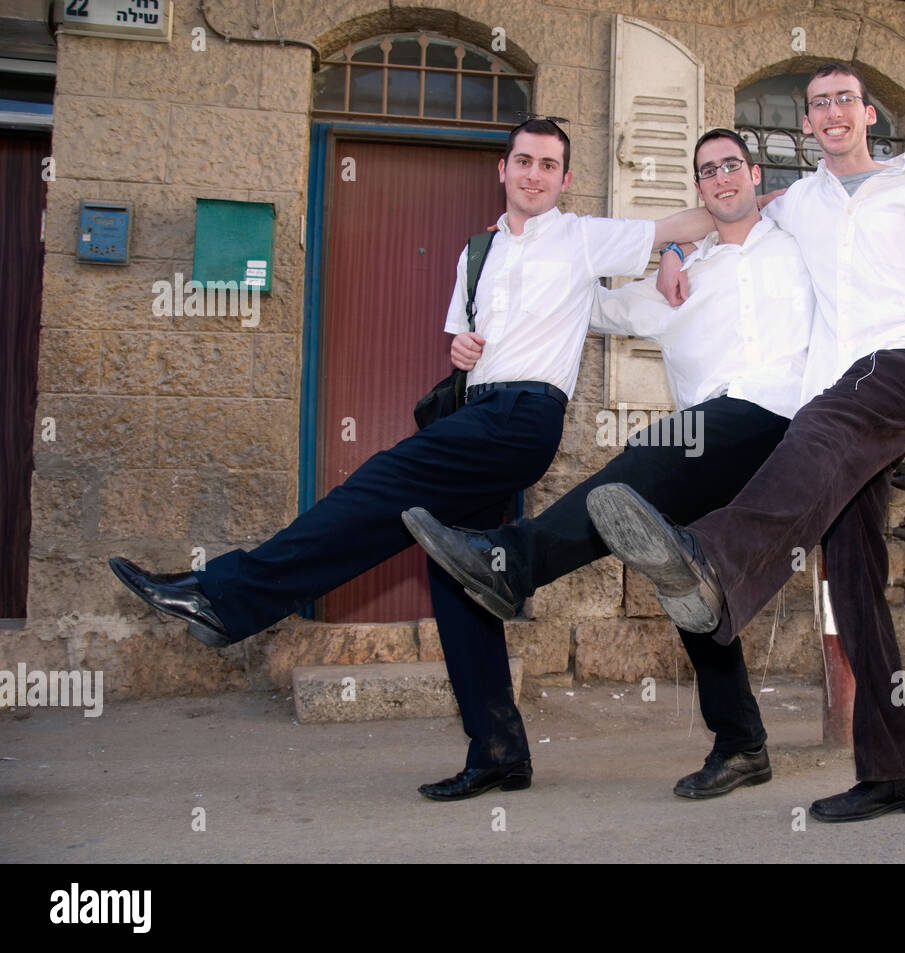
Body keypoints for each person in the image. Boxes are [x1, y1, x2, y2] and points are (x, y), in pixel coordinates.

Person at [107, 118, 711, 802]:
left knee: (378, 487)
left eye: (548, 165)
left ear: (565, 179)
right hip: (477, 409)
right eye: (524, 161)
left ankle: (223, 596)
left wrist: (677, 252)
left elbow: (691, 217)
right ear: (503, 169)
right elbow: (465, 338)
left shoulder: (581, 236)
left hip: (523, 419)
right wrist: (463, 354)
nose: (535, 174)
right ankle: (500, 751)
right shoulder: (475, 252)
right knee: (459, 579)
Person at [586, 62, 905, 823]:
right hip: (843, 385)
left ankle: (713, 558)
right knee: (854, 580)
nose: (833, 111)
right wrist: (673, 251)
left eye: (846, 99)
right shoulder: (800, 202)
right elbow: (734, 206)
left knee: (813, 427)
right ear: (806, 126)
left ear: (868, 113)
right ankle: (898, 769)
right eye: (818, 105)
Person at [403, 128, 814, 799]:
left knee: (649, 452)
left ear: (753, 170)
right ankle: (742, 742)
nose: (721, 178)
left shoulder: (796, 243)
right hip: (708, 447)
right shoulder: (678, 280)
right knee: (685, 581)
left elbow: (838, 198)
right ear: (699, 189)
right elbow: (587, 304)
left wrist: (903, 164)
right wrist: (517, 254)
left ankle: (513, 562)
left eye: (731, 165)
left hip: (782, 423)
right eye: (707, 171)